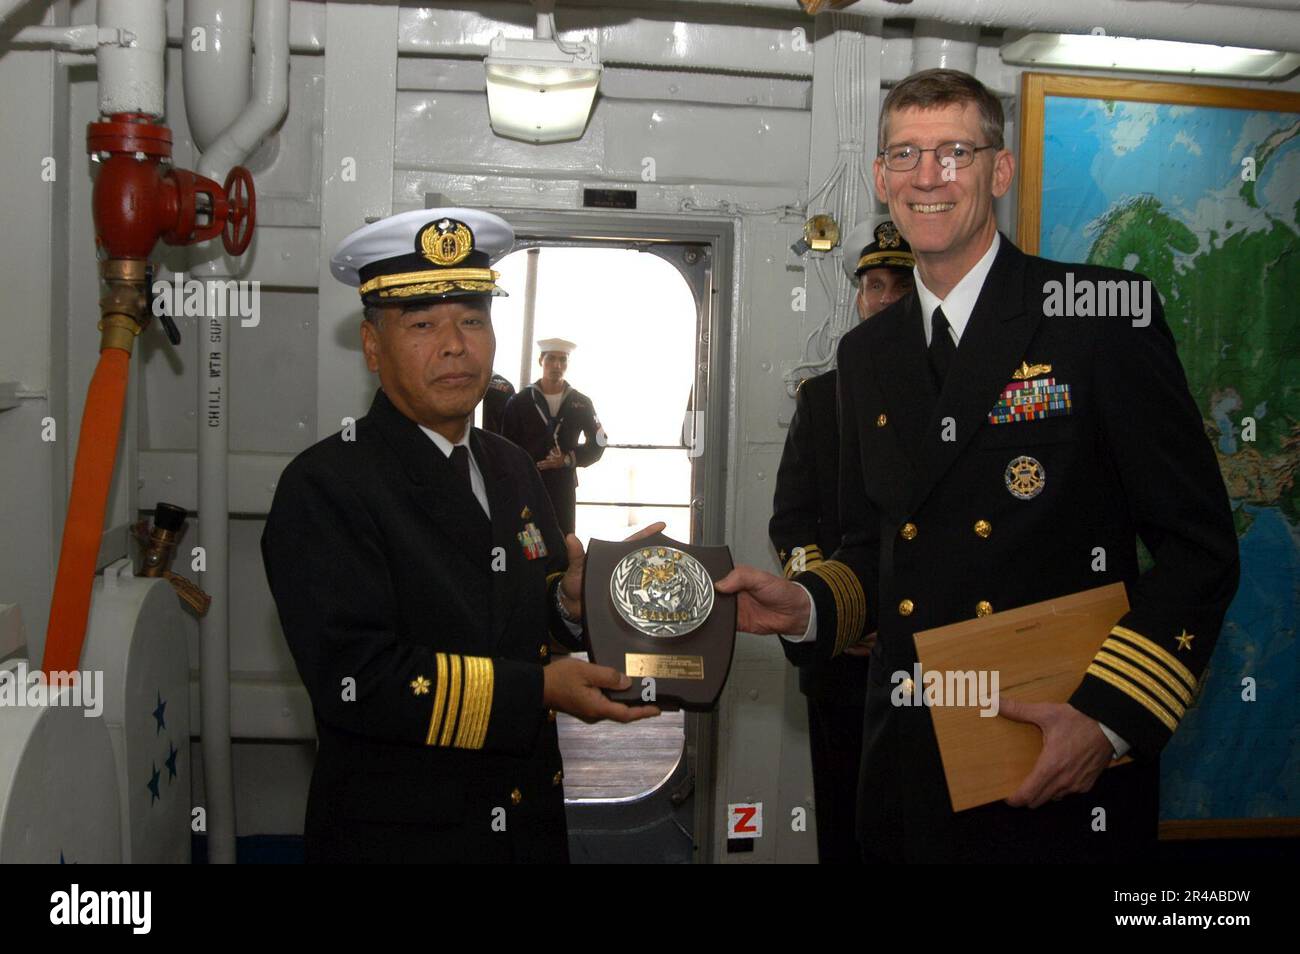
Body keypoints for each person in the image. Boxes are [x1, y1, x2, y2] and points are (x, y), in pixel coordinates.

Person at [719, 68, 1239, 863]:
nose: (928, 177)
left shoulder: (1099, 317)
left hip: (1055, 753)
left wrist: (1108, 720)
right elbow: (874, 546)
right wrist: (808, 606)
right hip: (908, 764)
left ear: (999, 171)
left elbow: (1199, 550)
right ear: (881, 178)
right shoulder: (866, 355)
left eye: (955, 152)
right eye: (905, 154)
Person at [261, 208, 659, 864]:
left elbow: (515, 622)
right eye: (422, 324)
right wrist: (538, 690)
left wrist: (568, 602)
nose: (454, 345)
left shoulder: (511, 467)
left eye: (472, 320)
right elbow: (360, 681)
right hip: (403, 839)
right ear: (371, 345)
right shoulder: (325, 485)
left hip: (527, 822)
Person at [769, 219, 914, 864]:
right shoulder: (822, 399)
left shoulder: (958, 396)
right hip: (844, 660)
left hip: (936, 658)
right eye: (873, 285)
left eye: (901, 286)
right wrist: (834, 606)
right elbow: (792, 521)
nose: (885, 299)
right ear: (857, 298)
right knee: (846, 823)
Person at [501, 339, 607, 536]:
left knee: (564, 539)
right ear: (541, 360)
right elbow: (505, 446)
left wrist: (568, 459)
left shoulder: (581, 402)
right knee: (529, 541)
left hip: (563, 486)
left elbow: (600, 442)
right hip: (528, 486)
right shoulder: (519, 401)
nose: (557, 365)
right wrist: (520, 474)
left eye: (562, 360)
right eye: (551, 359)